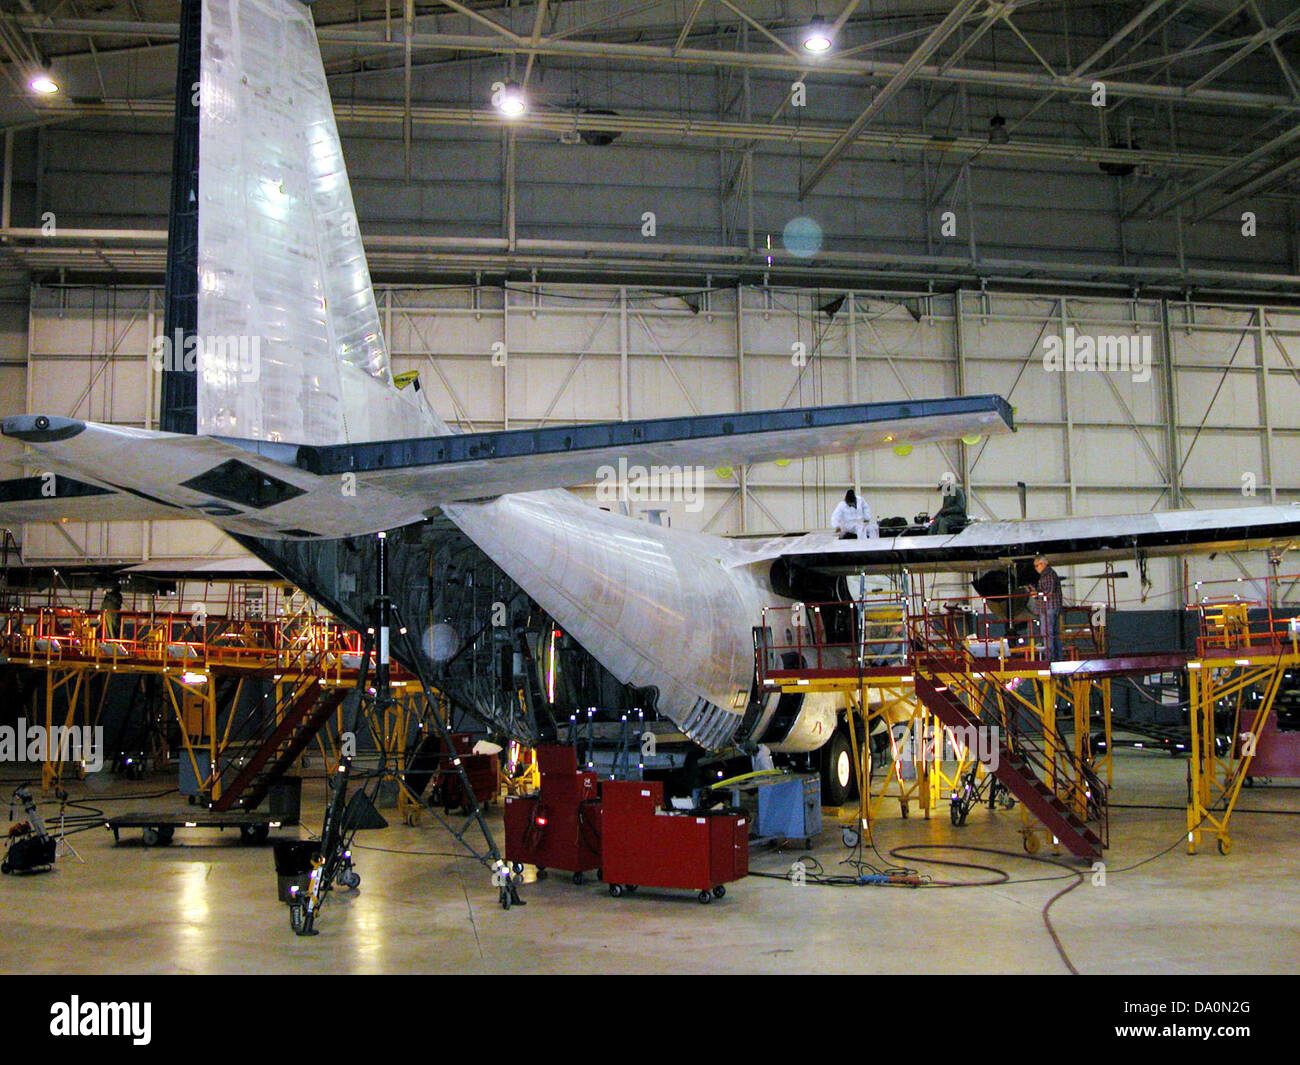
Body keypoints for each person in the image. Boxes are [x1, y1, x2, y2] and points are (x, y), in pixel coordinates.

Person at [1025, 554, 1064, 661]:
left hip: (1048, 608)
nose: (1036, 568)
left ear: (1043, 564)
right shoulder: (1048, 574)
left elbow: (1049, 592)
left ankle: (1050, 658)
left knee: (1047, 633)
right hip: (1051, 608)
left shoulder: (1048, 575)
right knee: (1053, 634)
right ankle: (1057, 657)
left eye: (1037, 566)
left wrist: (1037, 594)